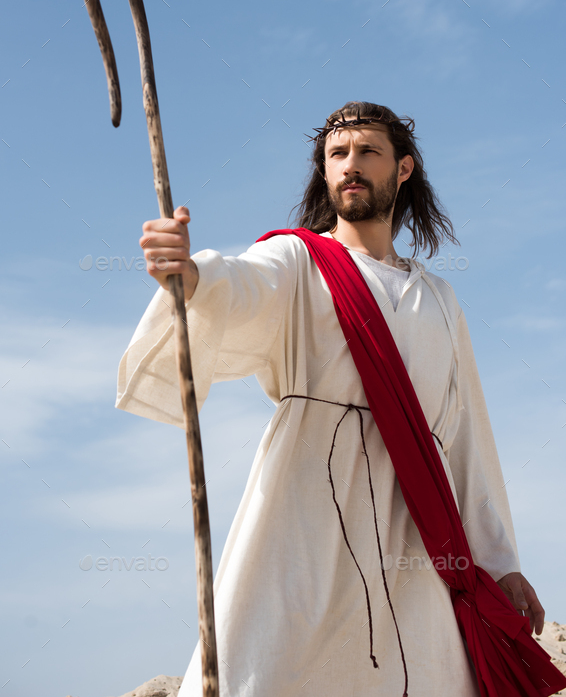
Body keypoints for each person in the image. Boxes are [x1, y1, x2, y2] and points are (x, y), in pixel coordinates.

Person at [116, 102, 550, 697]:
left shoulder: (441, 300)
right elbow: (241, 287)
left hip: (419, 536)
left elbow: (466, 438)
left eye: (367, 152)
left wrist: (502, 566)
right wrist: (190, 275)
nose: (350, 166)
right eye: (337, 156)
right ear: (324, 173)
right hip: (306, 518)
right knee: (271, 669)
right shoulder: (299, 261)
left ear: (403, 169)